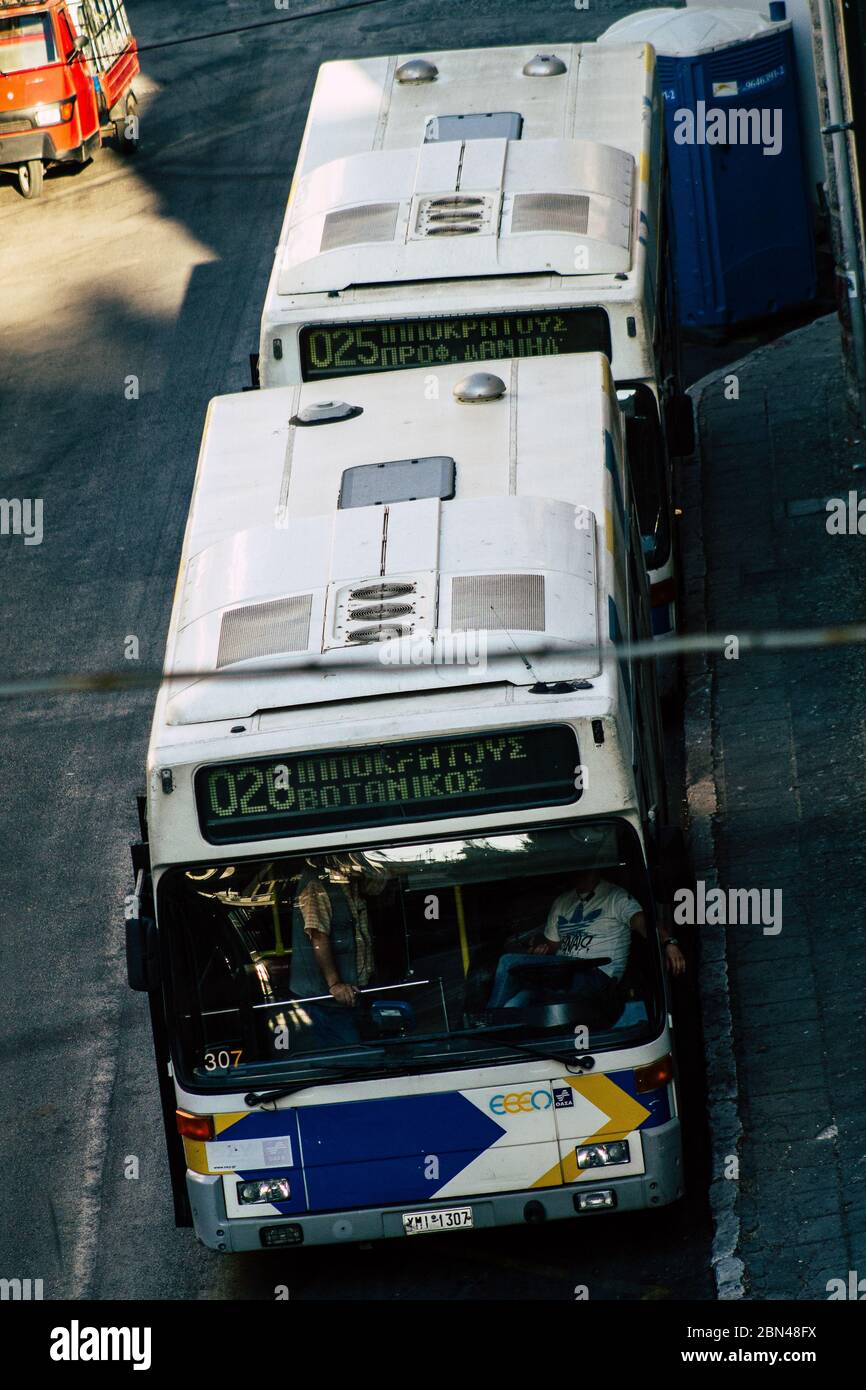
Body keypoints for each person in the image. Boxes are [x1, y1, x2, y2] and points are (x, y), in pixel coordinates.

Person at [487, 868, 685, 1010]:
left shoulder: (615, 896)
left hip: (596, 973)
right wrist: (540, 950)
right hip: (561, 970)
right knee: (519, 998)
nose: (579, 873)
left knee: (508, 962)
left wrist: (669, 942)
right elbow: (552, 946)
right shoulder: (562, 901)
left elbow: (643, 923)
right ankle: (496, 1039)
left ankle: (489, 1023)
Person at [290, 854, 387, 1006]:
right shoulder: (316, 883)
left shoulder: (348, 879)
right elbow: (318, 935)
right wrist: (334, 984)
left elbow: (375, 886)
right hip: (326, 999)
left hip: (355, 990)